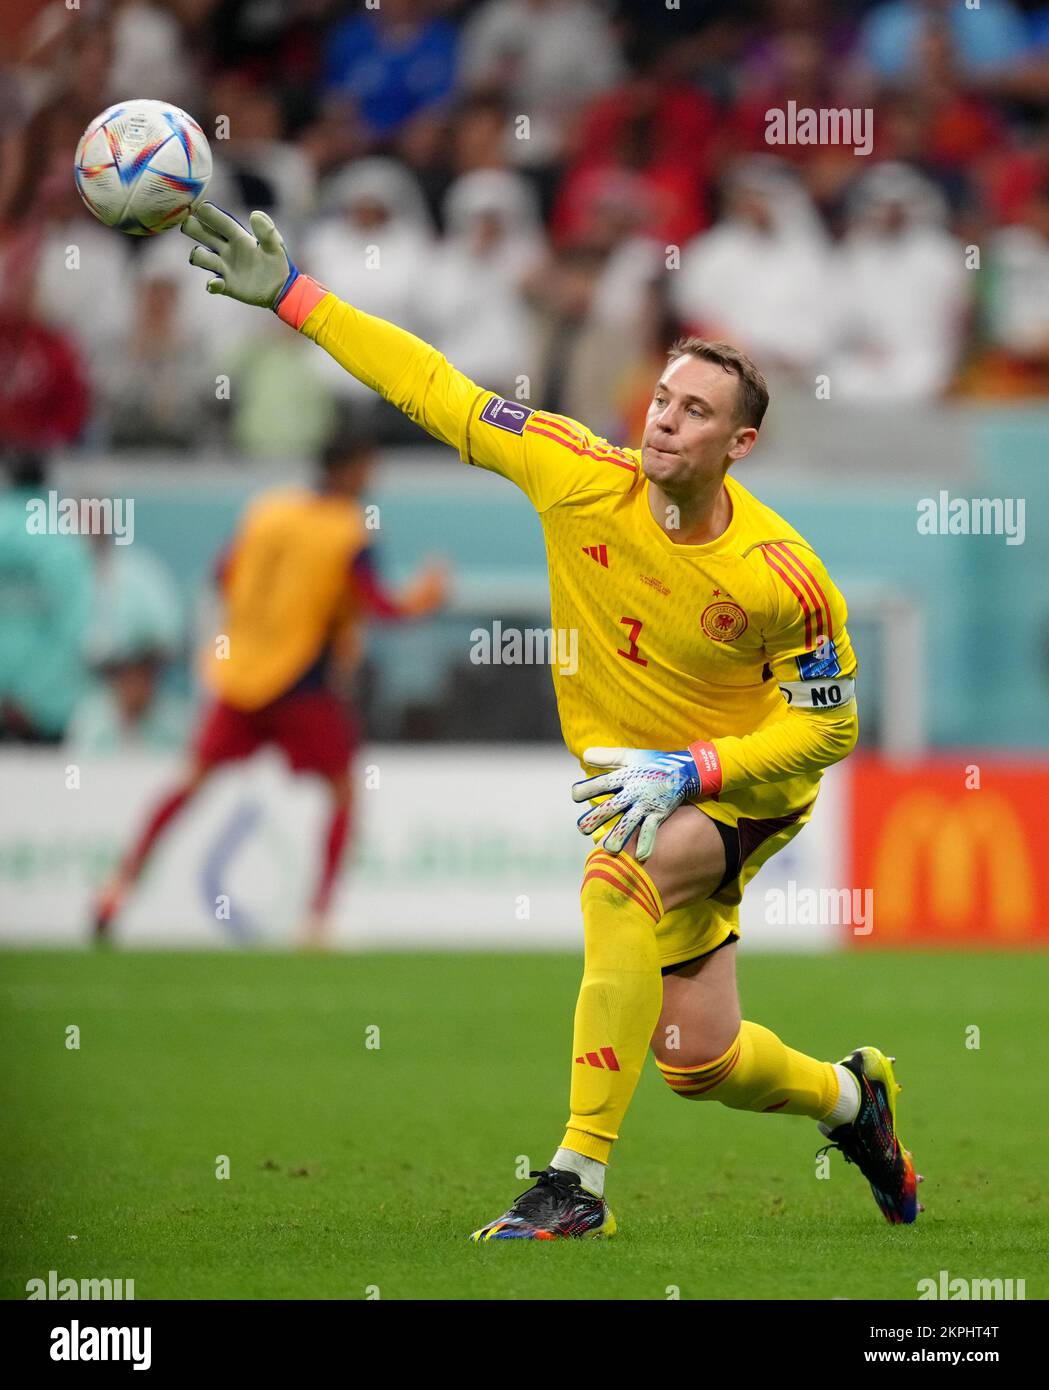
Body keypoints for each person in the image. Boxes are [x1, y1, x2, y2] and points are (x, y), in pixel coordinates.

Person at [177, 202, 923, 1237]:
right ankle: (853, 1101)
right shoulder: (576, 475)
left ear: (739, 442)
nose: (665, 418)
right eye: (661, 398)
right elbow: (433, 388)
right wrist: (293, 297)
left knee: (618, 867)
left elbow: (830, 731)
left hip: (743, 785)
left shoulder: (780, 578)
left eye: (696, 411)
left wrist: (690, 773)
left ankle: (573, 1184)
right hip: (655, 786)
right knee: (697, 1062)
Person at [93, 435, 448, 948]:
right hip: (301, 682)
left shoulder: (268, 510)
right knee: (345, 794)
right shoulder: (349, 529)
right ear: (351, 470)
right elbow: (381, 606)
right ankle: (317, 921)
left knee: (190, 783)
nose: (373, 480)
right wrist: (425, 597)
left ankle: (117, 888)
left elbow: (222, 575)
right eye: (369, 468)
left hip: (239, 677)